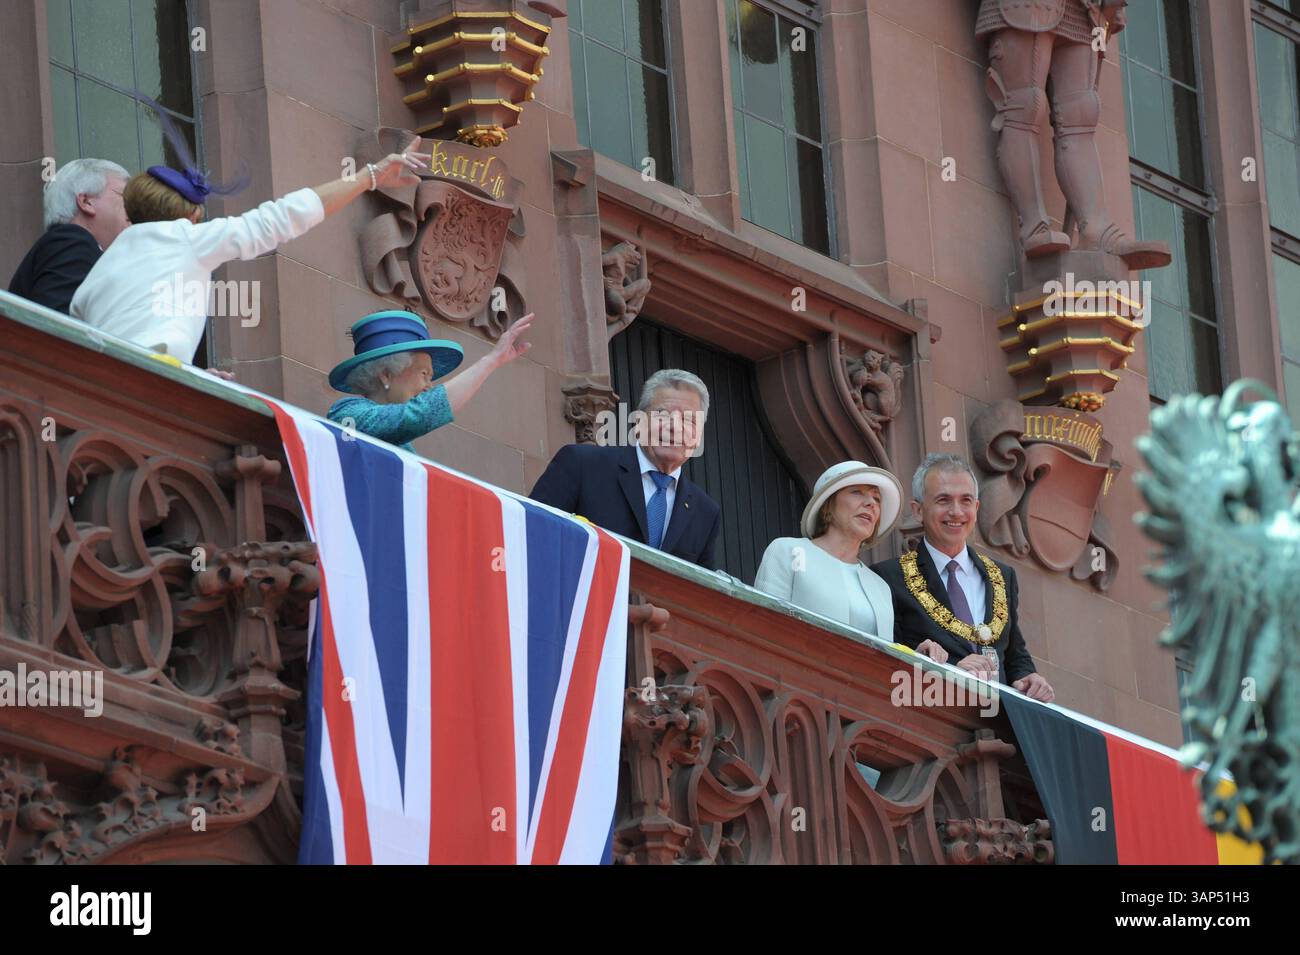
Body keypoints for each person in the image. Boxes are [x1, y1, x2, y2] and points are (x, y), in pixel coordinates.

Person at [71, 131, 431, 364]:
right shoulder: (187, 239)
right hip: (153, 384)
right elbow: (282, 217)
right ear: (191, 217)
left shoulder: (96, 272)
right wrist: (370, 176)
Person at [872, 453, 1055, 701]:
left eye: (966, 500)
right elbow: (885, 662)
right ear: (918, 511)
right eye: (943, 500)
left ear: (976, 509)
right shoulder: (889, 577)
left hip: (999, 721)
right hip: (933, 715)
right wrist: (949, 673)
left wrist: (1028, 678)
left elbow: (1013, 653)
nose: (956, 512)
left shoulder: (1002, 576)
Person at [754, 462, 947, 661]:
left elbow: (880, 660)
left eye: (876, 498)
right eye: (857, 492)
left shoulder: (880, 586)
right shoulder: (788, 552)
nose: (871, 503)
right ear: (828, 503)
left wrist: (916, 657)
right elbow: (763, 631)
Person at [530, 369, 721, 568]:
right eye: (663, 415)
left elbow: (700, 591)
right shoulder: (582, 465)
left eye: (689, 420)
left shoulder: (705, 512)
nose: (675, 427)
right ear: (639, 422)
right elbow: (533, 536)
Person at [326, 309, 534, 451]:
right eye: (423, 374)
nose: (429, 386)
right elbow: (417, 415)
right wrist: (490, 361)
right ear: (386, 374)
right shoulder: (346, 414)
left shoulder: (405, 446)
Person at [8, 158, 130, 313]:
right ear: (86, 201)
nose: (133, 210)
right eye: (125, 198)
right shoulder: (73, 242)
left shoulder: (68, 246)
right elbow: (58, 330)